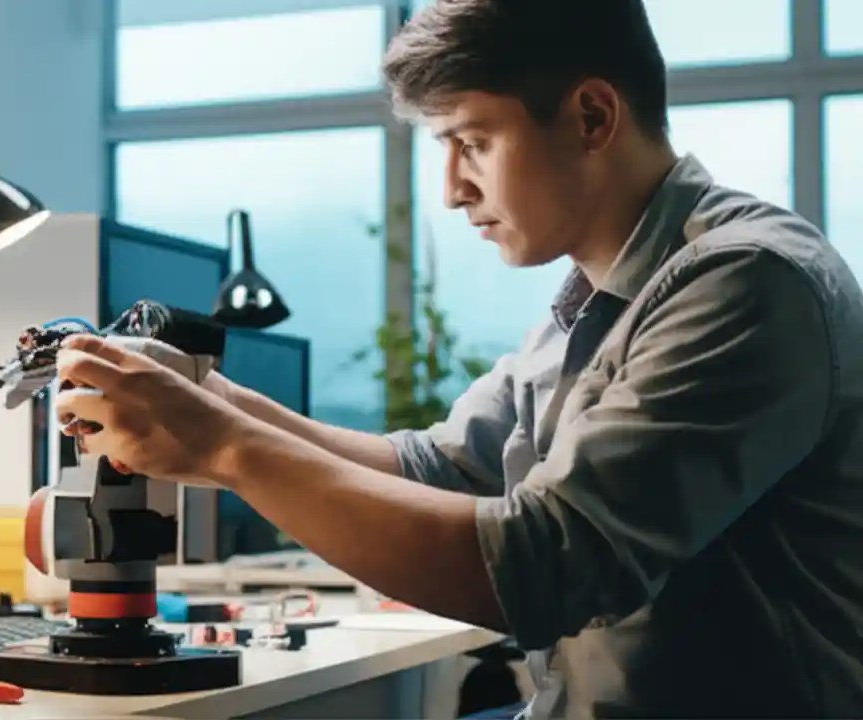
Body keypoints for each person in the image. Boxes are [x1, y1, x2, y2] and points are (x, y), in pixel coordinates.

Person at [56, 0, 863, 716]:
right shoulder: (598, 293)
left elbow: (544, 566)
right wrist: (219, 401)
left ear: (590, 117)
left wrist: (223, 447)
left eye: (472, 142)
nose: (451, 189)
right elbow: (438, 467)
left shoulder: (746, 281)